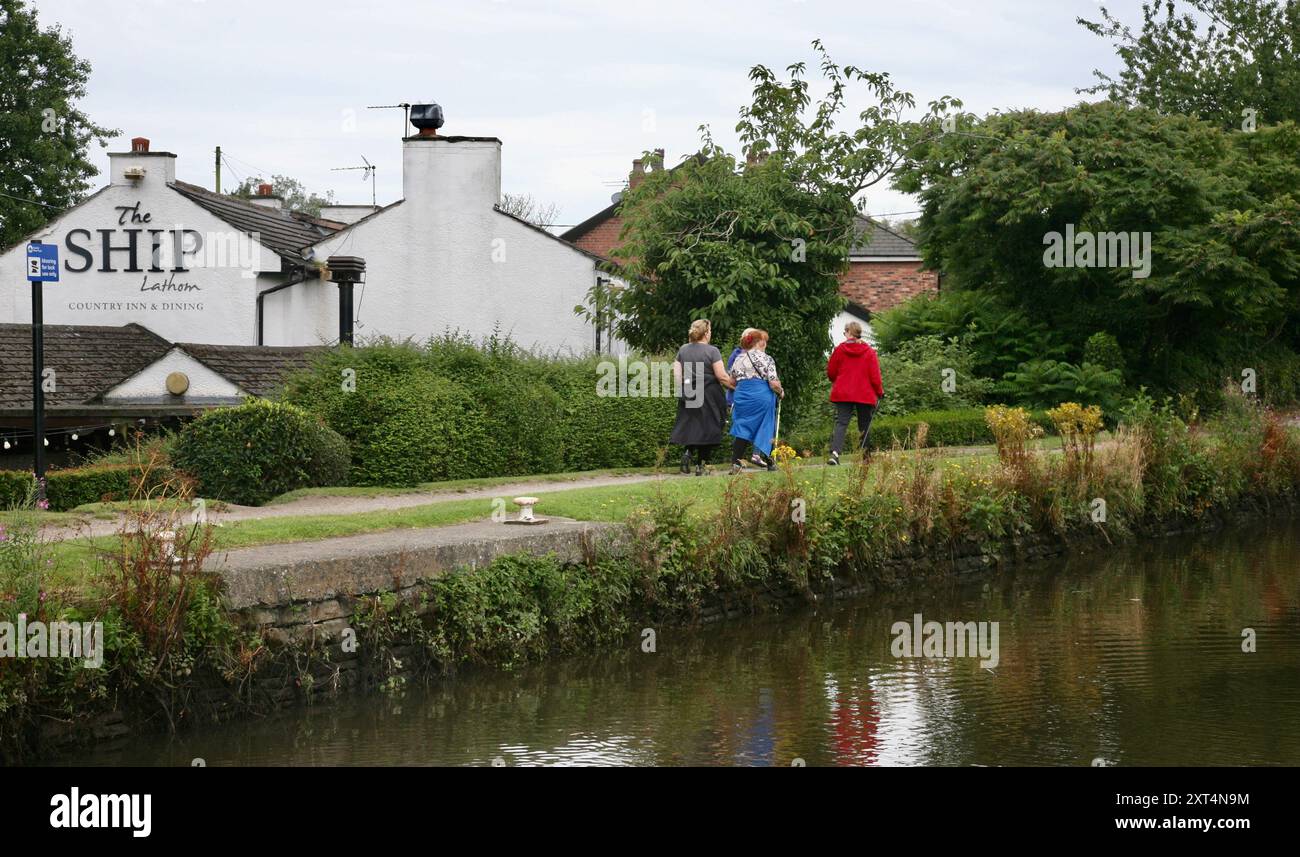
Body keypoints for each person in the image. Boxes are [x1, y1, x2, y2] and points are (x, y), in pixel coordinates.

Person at [670, 319, 734, 475]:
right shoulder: (712, 351)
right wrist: (736, 387)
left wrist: (685, 387)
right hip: (709, 394)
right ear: (706, 333)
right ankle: (701, 465)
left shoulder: (683, 349)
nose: (711, 333)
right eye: (710, 330)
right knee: (709, 428)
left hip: (689, 392)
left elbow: (677, 373)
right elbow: (721, 376)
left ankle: (687, 454)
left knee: (693, 426)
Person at [826, 320, 884, 465]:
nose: (844, 335)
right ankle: (865, 457)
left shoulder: (839, 350)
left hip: (843, 392)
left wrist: (838, 380)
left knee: (842, 422)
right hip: (864, 393)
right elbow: (875, 375)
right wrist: (879, 392)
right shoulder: (869, 351)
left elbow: (831, 372)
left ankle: (835, 453)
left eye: (844, 332)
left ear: (849, 332)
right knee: (864, 424)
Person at [728, 328, 784, 474]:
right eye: (764, 341)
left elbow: (731, 382)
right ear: (759, 342)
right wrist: (781, 391)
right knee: (766, 426)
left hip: (742, 397)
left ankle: (736, 464)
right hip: (761, 396)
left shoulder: (739, 358)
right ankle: (771, 462)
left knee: (742, 427)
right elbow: (773, 383)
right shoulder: (767, 359)